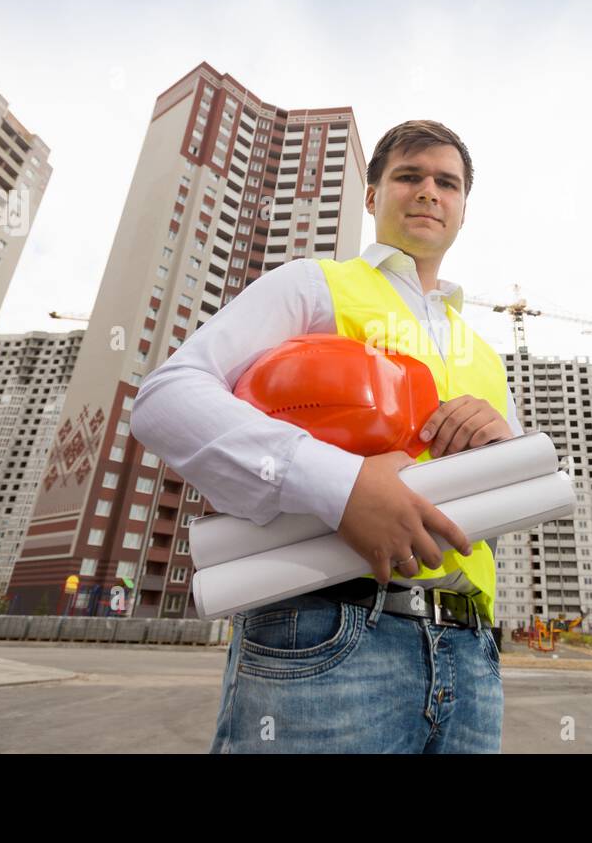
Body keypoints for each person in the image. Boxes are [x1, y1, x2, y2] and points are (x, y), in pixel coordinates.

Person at [130, 119, 523, 753]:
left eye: (446, 183)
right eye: (409, 176)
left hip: (470, 649)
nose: (429, 192)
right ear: (372, 197)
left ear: (462, 208)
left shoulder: (484, 353)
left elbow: (495, 515)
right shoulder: (317, 285)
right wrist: (342, 486)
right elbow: (168, 397)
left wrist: (505, 452)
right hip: (329, 627)